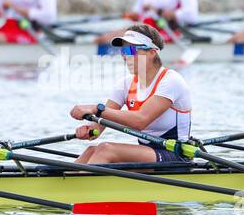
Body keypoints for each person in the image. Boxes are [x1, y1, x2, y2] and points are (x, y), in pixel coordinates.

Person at [69, 24, 193, 164]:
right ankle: (66, 183)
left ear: (152, 52)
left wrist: (95, 109)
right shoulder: (125, 84)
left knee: (105, 150)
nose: (125, 56)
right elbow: (99, 126)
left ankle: (85, 184)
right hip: (148, 154)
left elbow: (140, 120)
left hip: (175, 155)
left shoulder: (171, 80)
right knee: (91, 151)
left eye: (131, 50)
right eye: (123, 51)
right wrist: (90, 130)